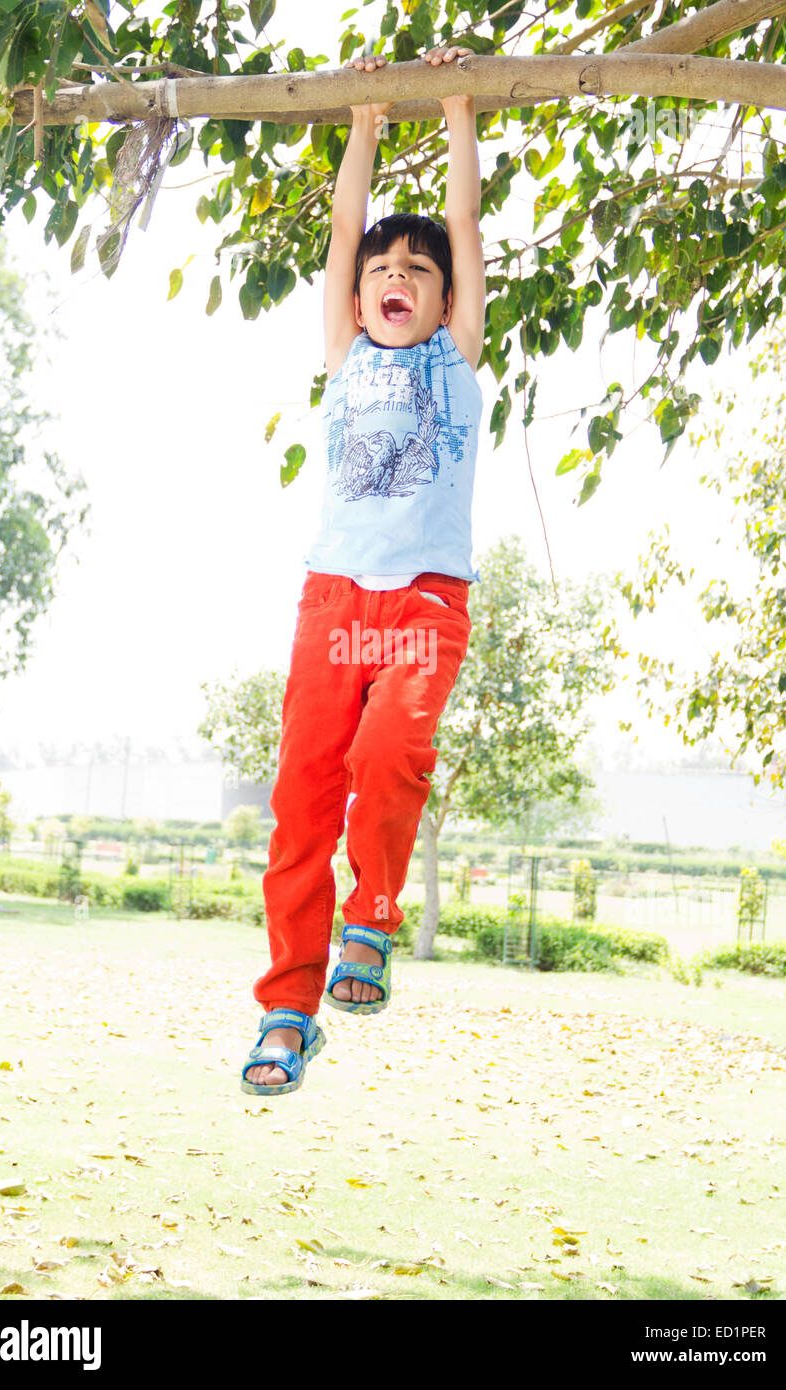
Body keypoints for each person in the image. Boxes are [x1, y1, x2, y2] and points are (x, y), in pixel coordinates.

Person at [242, 45, 486, 1094]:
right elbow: (346, 231)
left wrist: (459, 107)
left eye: (415, 273)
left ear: (442, 304)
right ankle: (289, 1006)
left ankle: (369, 920)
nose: (394, 277)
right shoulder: (343, 362)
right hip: (333, 597)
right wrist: (366, 120)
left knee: (390, 754)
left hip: (423, 599)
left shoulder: (455, 362)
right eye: (381, 271)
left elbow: (464, 230)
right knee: (301, 799)